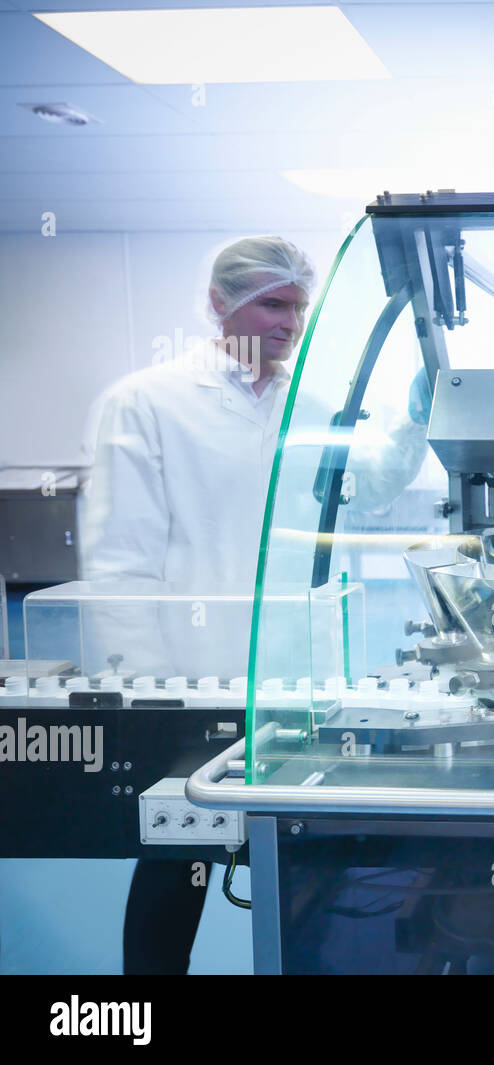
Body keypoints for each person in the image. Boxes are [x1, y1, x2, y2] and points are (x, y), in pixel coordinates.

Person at [81, 237, 428, 973]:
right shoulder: (146, 402)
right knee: (180, 859)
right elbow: (119, 562)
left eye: (298, 307)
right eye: (273, 303)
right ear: (217, 303)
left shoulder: (305, 404)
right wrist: (149, 693)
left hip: (291, 681)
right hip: (189, 682)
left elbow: (365, 485)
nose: (290, 322)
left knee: (291, 860)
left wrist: (416, 419)